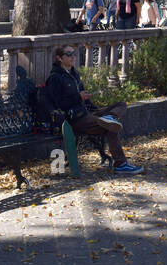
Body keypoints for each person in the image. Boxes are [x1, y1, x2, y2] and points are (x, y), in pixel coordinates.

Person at [45, 45, 142, 175]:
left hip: (87, 113)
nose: (73, 56)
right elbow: (59, 104)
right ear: (59, 58)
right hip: (73, 120)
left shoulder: (74, 74)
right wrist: (78, 97)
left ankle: (108, 118)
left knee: (121, 105)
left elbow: (85, 100)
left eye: (74, 53)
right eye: (68, 54)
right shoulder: (55, 78)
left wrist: (94, 107)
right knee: (111, 127)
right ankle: (121, 164)